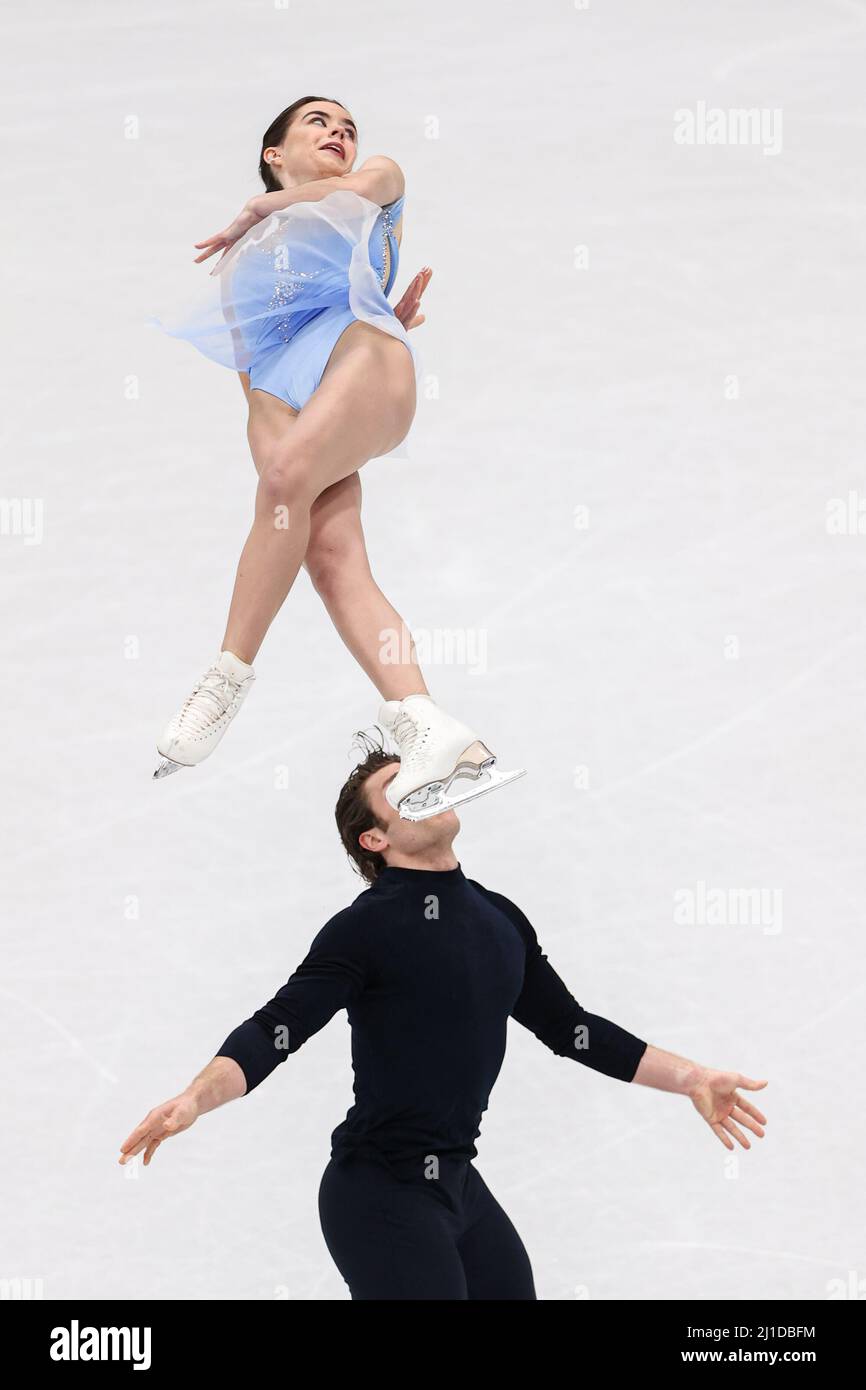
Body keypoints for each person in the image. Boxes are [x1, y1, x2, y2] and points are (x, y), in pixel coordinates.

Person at [119, 734, 769, 1301]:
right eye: (402, 787)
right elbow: (273, 1031)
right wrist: (195, 1100)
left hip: (458, 1188)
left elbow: (573, 1031)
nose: (426, 787)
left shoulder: (499, 919)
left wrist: (689, 1078)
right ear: (374, 838)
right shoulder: (364, 930)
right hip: (378, 1193)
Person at [149, 95, 523, 820]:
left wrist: (267, 210)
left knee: (291, 484)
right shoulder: (239, 267)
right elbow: (253, 372)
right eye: (316, 123)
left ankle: (224, 679)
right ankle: (428, 723)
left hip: (364, 356)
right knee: (325, 555)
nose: (340, 133)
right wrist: (274, 473)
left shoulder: (373, 180)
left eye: (347, 126)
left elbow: (357, 190)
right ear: (273, 155)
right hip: (289, 389)